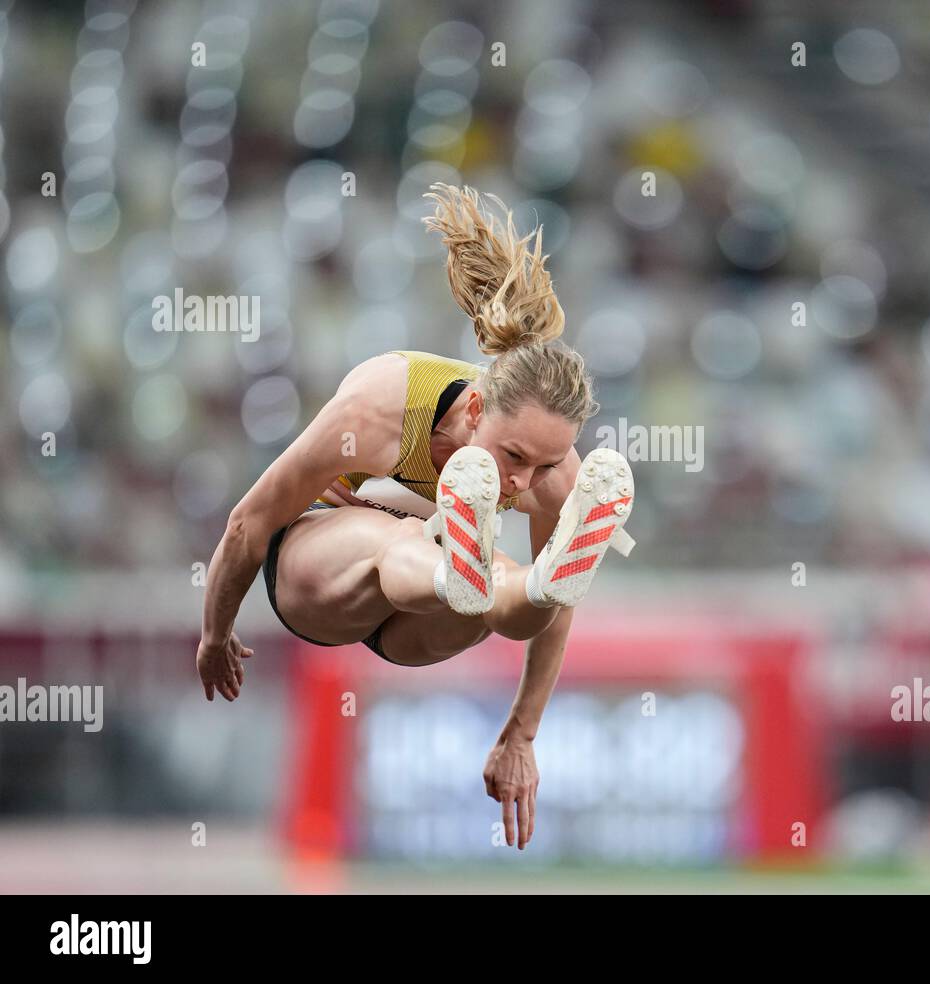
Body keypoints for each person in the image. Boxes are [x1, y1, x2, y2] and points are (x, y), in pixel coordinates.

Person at [195, 183, 635, 851]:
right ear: (476, 408)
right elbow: (248, 524)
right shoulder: (377, 408)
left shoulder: (557, 471)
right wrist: (215, 633)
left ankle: (490, 573)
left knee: (519, 585)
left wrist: (521, 735)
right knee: (404, 539)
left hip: (416, 632)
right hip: (318, 574)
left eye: (544, 468)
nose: (525, 480)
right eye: (514, 456)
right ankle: (459, 565)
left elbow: (560, 615)